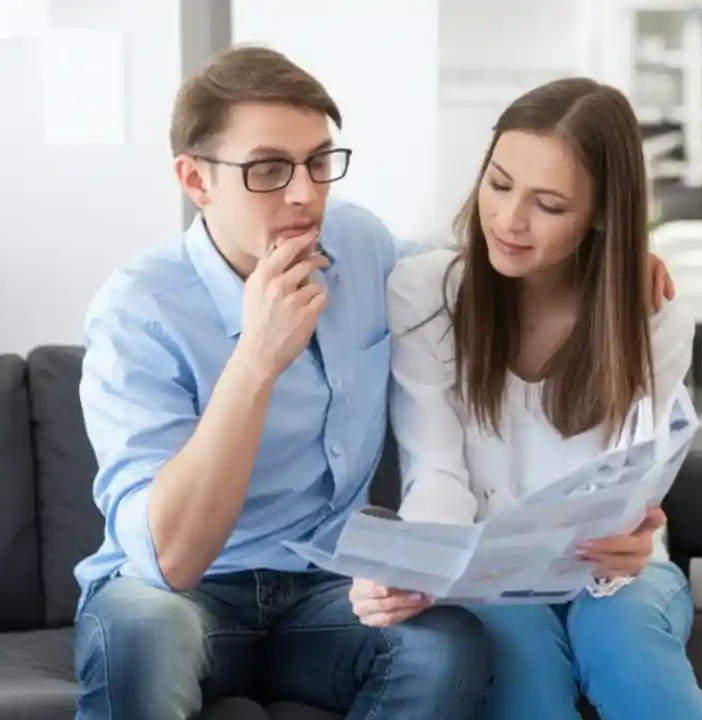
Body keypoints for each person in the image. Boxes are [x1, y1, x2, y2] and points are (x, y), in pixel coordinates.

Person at [71, 46, 490, 719]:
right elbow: (171, 558)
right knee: (145, 629)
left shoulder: (356, 243)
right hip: (184, 593)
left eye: (319, 162)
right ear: (196, 180)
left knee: (443, 643)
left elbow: (476, 286)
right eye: (269, 169)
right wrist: (256, 359)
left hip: (324, 589)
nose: (305, 193)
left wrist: (604, 264)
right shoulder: (138, 310)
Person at [370, 77, 702, 720]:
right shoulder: (426, 295)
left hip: (615, 575)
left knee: (625, 634)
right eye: (498, 185)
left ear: (603, 214)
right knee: (518, 656)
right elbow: (436, 471)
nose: (508, 220)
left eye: (549, 205)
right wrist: (430, 566)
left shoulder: (653, 316)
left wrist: (629, 540)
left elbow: (635, 485)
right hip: (487, 574)